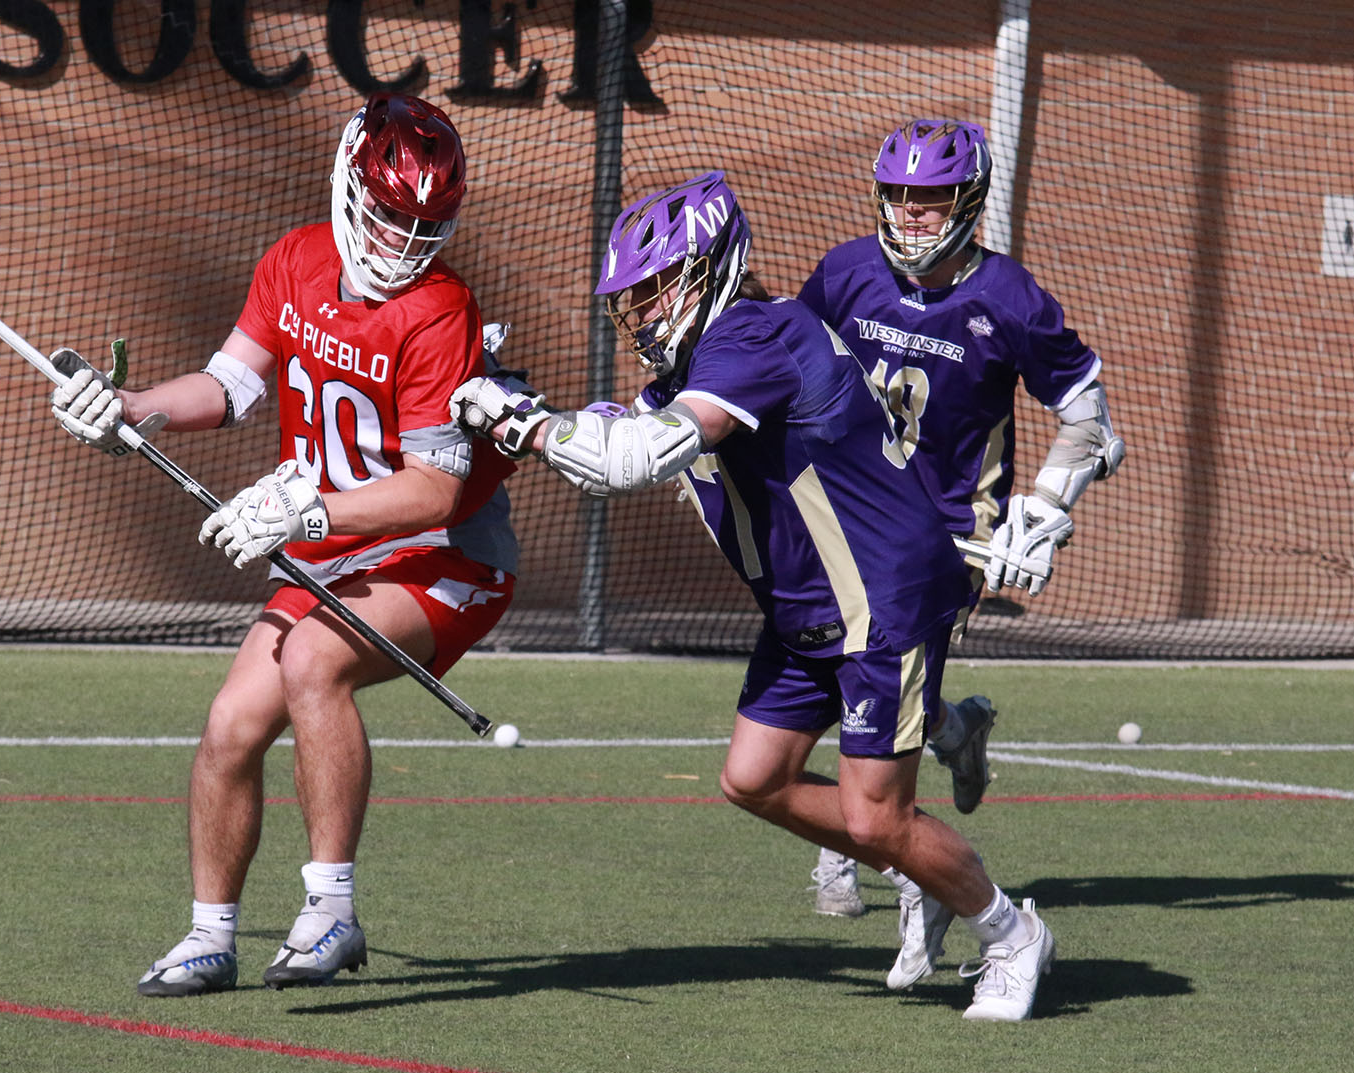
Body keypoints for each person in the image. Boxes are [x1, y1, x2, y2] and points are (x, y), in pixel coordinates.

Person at [451, 171, 1055, 1021]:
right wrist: (514, 397)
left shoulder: (754, 334)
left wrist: (523, 421)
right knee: (754, 779)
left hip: (883, 598)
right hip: (811, 604)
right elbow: (618, 433)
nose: (646, 311)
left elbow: (629, 460)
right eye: (637, 296)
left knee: (876, 821)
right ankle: (926, 862)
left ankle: (1011, 933)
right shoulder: (704, 361)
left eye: (659, 288)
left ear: (709, 270)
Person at [47, 92, 519, 996]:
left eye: (424, 224)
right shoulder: (297, 259)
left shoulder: (439, 310)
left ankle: (331, 912)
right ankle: (210, 936)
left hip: (447, 554)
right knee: (229, 726)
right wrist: (133, 408)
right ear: (347, 184)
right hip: (330, 545)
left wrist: (304, 515)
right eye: (386, 216)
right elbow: (229, 384)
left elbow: (432, 490)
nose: (400, 243)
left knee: (311, 660)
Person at [793, 120, 1124, 970]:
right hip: (844, 508)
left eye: (929, 197)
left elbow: (1090, 421)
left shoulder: (1008, 297)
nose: (909, 214)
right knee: (848, 663)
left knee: (863, 660)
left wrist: (1044, 508)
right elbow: (780, 359)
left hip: (946, 531)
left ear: (968, 203)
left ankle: (895, 862)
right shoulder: (844, 271)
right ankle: (950, 738)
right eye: (898, 195)